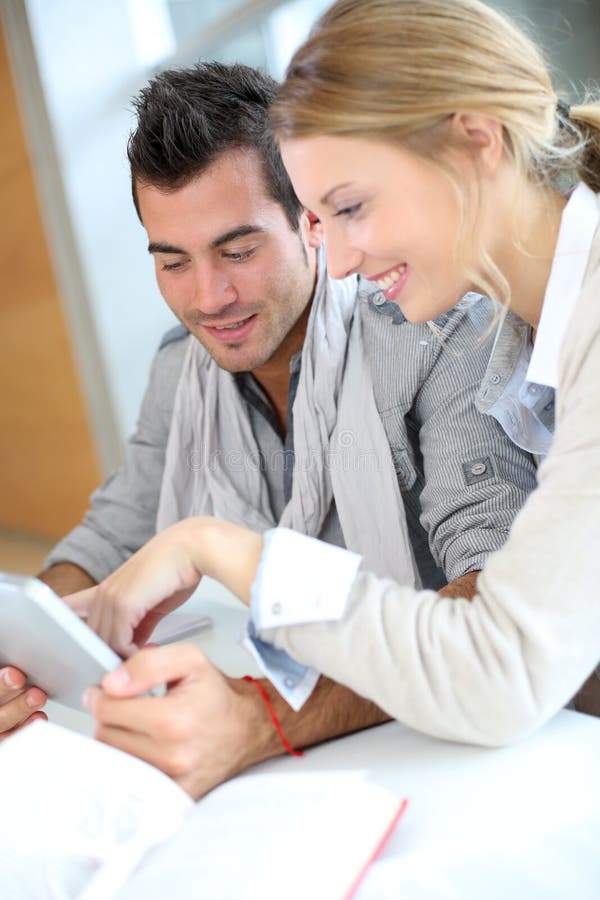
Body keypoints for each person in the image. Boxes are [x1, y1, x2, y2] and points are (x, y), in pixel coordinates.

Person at [76, 0, 600, 764]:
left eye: (352, 207)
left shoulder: (508, 329)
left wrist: (218, 547)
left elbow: (502, 668)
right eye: (328, 216)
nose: (345, 263)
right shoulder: (532, 330)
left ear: (477, 140)